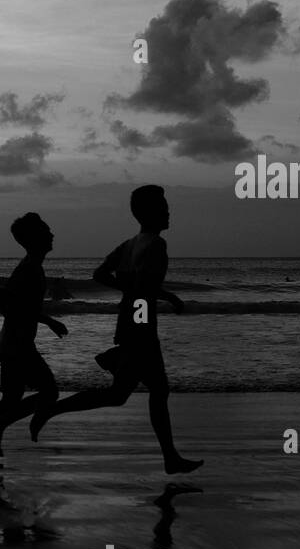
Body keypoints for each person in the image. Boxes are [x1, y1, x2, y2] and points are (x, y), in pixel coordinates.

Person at [29, 185, 202, 475]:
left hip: (129, 318)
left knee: (121, 394)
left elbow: (101, 274)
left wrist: (141, 292)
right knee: (156, 389)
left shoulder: (130, 243)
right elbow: (143, 287)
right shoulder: (156, 245)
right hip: (141, 322)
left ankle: (58, 405)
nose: (168, 211)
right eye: (163, 207)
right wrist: (162, 298)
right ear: (149, 212)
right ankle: (170, 457)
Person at [0, 212, 67, 472]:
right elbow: (6, 301)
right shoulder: (28, 268)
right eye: (46, 230)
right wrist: (48, 321)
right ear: (34, 238)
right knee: (49, 392)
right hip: (17, 345)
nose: (51, 234)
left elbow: (14, 303)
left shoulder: (33, 266)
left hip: (14, 343)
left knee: (11, 399)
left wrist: (42, 319)